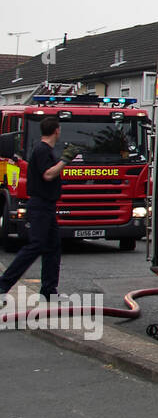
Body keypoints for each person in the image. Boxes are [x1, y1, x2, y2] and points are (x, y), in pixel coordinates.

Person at [0, 116, 74, 301]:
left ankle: (49, 291)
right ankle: (3, 285)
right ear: (56, 130)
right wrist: (65, 160)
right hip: (40, 206)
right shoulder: (42, 150)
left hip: (46, 206)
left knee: (53, 247)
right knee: (35, 246)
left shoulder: (45, 150)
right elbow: (48, 175)